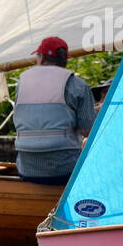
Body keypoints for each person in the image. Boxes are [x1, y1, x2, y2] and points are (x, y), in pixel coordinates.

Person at [14, 36, 94, 185]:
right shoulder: (78, 85)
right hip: (64, 171)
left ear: (42, 58)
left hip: (27, 170)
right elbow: (87, 130)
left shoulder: (21, 83)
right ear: (65, 60)